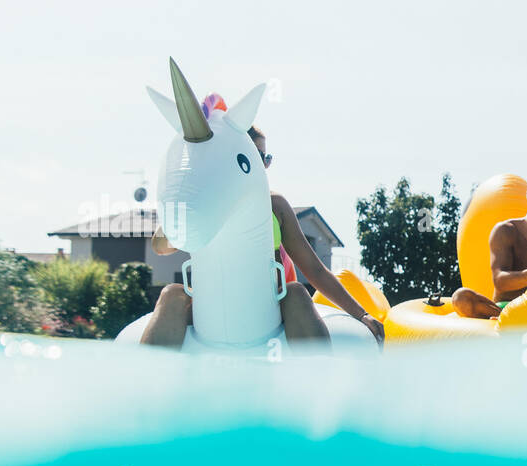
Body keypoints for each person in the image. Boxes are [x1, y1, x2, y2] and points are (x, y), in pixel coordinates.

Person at [141, 120, 384, 348]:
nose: (264, 165)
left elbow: (314, 268)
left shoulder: (274, 205)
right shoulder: (206, 205)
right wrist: (188, 209)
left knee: (297, 292)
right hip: (214, 302)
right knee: (171, 294)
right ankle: (150, 382)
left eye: (266, 157)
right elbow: (160, 247)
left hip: (266, 304)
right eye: (258, 156)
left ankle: (316, 381)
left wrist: (361, 315)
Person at [450, 177, 527, 319]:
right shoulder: (506, 231)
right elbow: (500, 281)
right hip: (504, 309)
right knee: (461, 298)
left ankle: (517, 322)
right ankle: (510, 320)